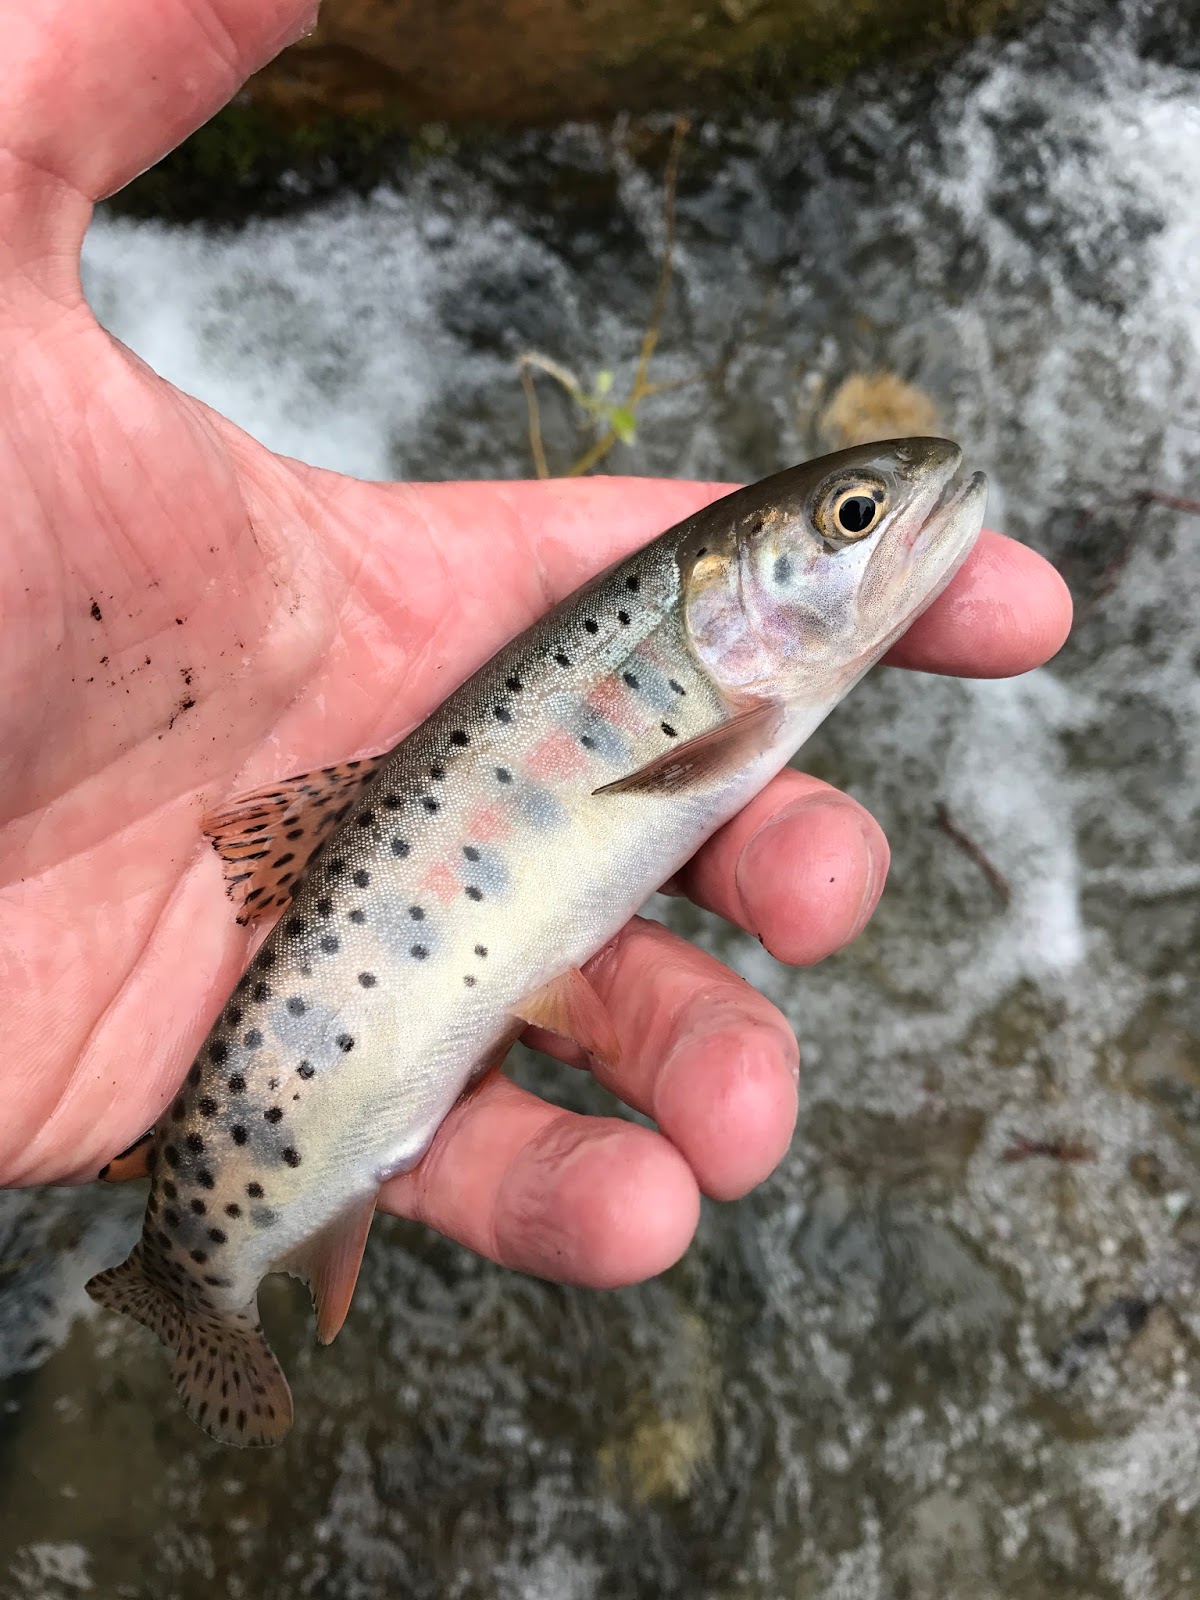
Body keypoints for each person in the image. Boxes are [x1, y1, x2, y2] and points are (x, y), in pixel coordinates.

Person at [0, 0, 1071, 1289]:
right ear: (731, 592)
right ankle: (203, 1271)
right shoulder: (728, 699)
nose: (883, 521)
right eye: (854, 520)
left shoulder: (740, 689)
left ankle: (219, 1246)